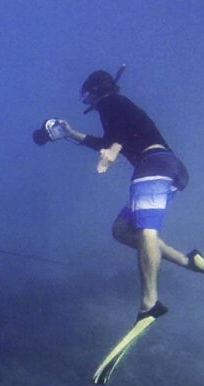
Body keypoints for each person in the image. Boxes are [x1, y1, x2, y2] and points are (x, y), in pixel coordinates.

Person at [57, 69, 191, 322]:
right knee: (121, 229)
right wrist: (71, 134)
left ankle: (149, 302)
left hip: (153, 165)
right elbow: (111, 138)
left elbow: (121, 135)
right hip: (169, 170)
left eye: (85, 96)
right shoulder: (116, 108)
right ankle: (186, 260)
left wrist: (115, 150)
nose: (85, 102)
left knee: (146, 231)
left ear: (96, 91)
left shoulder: (111, 103)